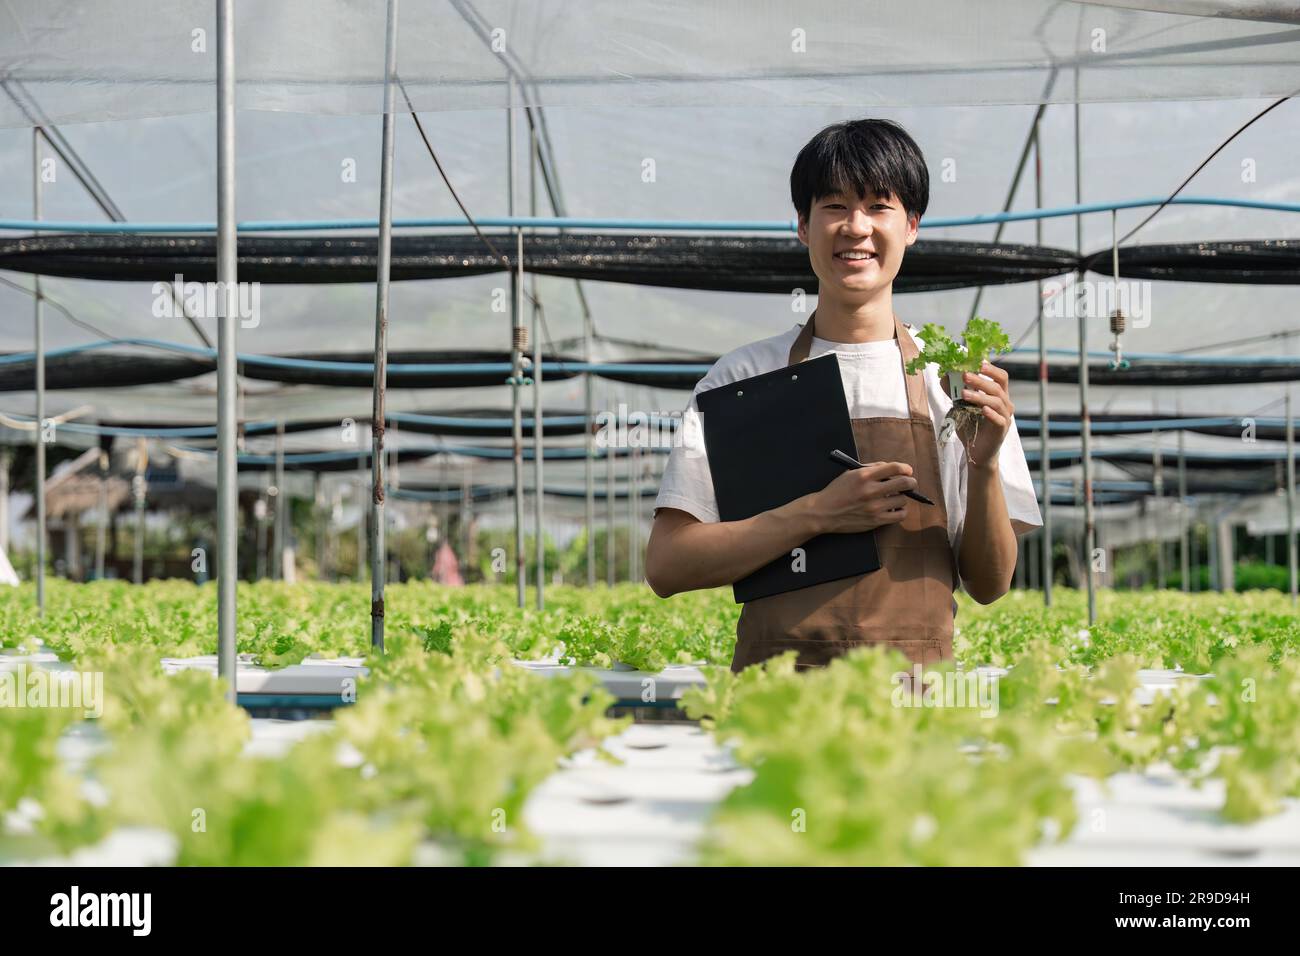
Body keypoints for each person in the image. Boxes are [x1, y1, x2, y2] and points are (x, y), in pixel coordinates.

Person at [644, 118, 1042, 672]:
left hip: (913, 704)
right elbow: (668, 564)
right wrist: (818, 513)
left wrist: (985, 465)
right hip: (776, 700)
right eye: (834, 206)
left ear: (912, 227)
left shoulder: (954, 381)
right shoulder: (741, 379)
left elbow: (991, 583)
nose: (856, 227)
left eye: (879, 206)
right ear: (803, 226)